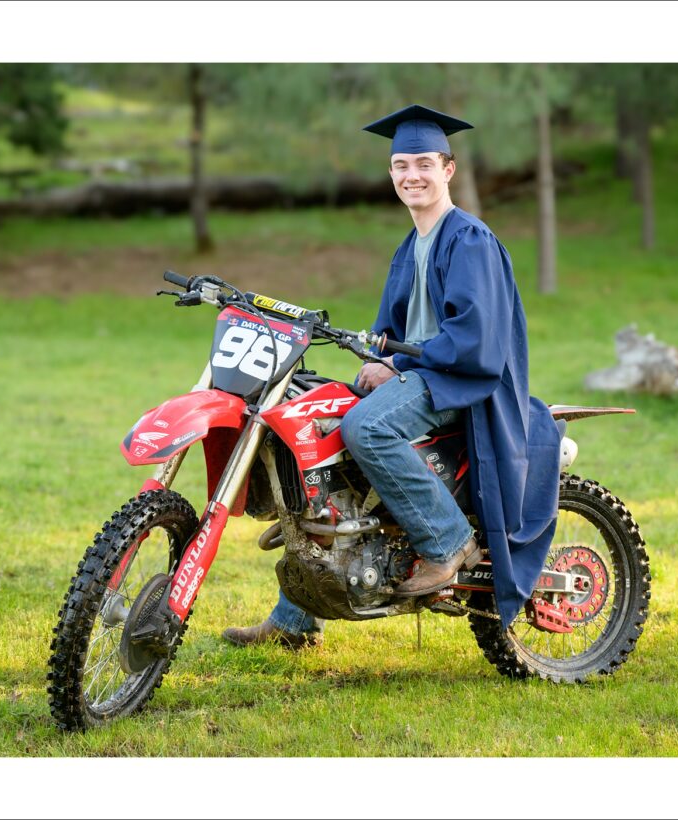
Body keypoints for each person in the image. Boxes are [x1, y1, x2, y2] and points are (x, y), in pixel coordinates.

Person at [223, 104, 560, 649]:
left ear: (448, 169)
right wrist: (374, 359)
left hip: (462, 382)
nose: (412, 175)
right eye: (402, 166)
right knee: (312, 420)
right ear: (391, 174)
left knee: (367, 428)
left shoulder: (469, 240)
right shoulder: (410, 246)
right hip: (421, 375)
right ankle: (296, 616)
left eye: (425, 164)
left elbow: (475, 341)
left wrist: (400, 364)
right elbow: (387, 330)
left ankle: (448, 541)